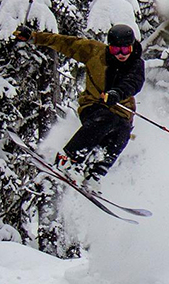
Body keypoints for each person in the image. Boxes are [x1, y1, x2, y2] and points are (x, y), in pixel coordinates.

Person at [13, 22, 145, 180]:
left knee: (123, 131)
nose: (121, 54)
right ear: (109, 47)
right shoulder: (95, 52)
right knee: (106, 118)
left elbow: (133, 83)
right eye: (116, 49)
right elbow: (65, 43)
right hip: (93, 106)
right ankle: (69, 157)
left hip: (122, 113)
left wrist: (116, 93)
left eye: (125, 49)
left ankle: (94, 172)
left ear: (132, 47)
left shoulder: (136, 64)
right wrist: (34, 37)